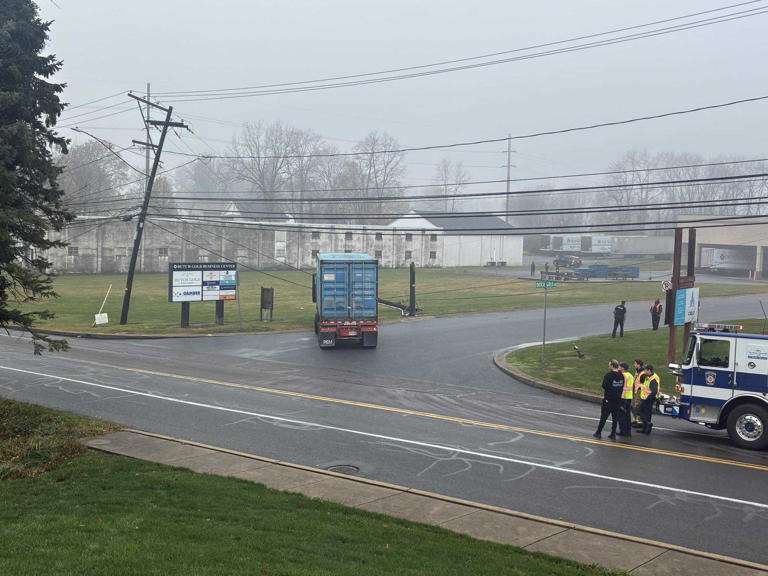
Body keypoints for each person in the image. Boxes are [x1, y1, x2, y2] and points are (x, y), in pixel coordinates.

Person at [593, 359, 625, 440]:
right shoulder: (621, 375)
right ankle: (613, 433)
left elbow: (604, 386)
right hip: (617, 399)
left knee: (603, 417)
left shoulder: (608, 375)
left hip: (609, 399)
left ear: (612, 366)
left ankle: (598, 432)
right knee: (615, 418)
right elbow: (622, 385)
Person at [637, 365, 661, 434]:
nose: (644, 371)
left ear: (649, 370)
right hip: (646, 397)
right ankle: (646, 429)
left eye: (645, 370)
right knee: (647, 414)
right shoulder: (648, 377)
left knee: (640, 411)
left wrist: (648, 398)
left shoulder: (653, 379)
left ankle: (647, 423)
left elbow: (654, 391)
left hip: (649, 398)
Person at [618, 362, 634, 437]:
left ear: (623, 368)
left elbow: (620, 386)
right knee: (627, 414)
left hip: (623, 397)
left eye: (620, 367)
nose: (618, 367)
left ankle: (623, 431)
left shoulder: (623, 375)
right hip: (629, 397)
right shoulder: (630, 375)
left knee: (622, 415)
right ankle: (628, 430)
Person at [631, 359, 645, 428]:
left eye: (635, 363)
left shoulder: (642, 373)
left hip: (639, 392)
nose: (634, 365)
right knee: (633, 406)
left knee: (637, 406)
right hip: (635, 391)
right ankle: (635, 420)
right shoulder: (637, 372)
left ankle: (639, 422)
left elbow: (644, 384)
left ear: (639, 365)